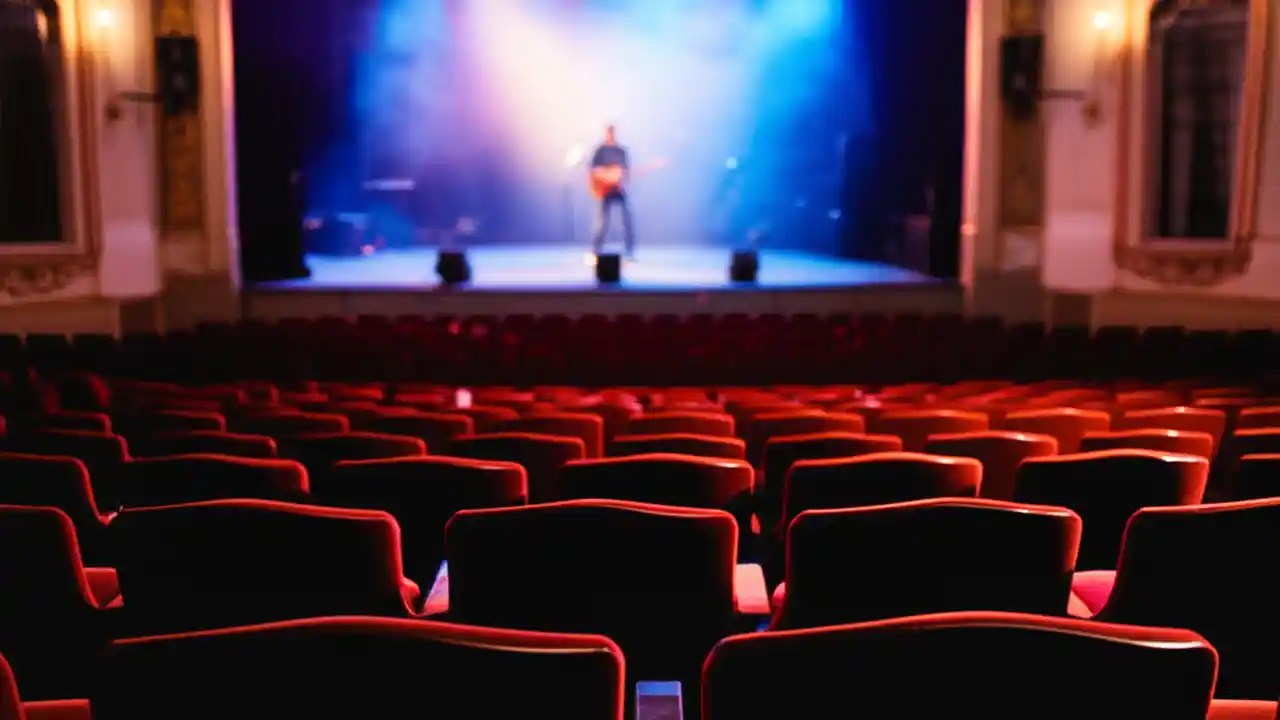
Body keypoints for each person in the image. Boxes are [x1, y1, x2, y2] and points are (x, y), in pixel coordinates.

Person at [588, 125, 635, 259]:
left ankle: (629, 251)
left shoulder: (621, 151)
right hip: (604, 190)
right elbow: (594, 170)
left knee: (627, 219)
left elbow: (624, 170)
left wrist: (618, 175)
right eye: (609, 132)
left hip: (618, 189)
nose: (610, 135)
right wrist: (606, 176)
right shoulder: (600, 151)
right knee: (602, 222)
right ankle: (595, 252)